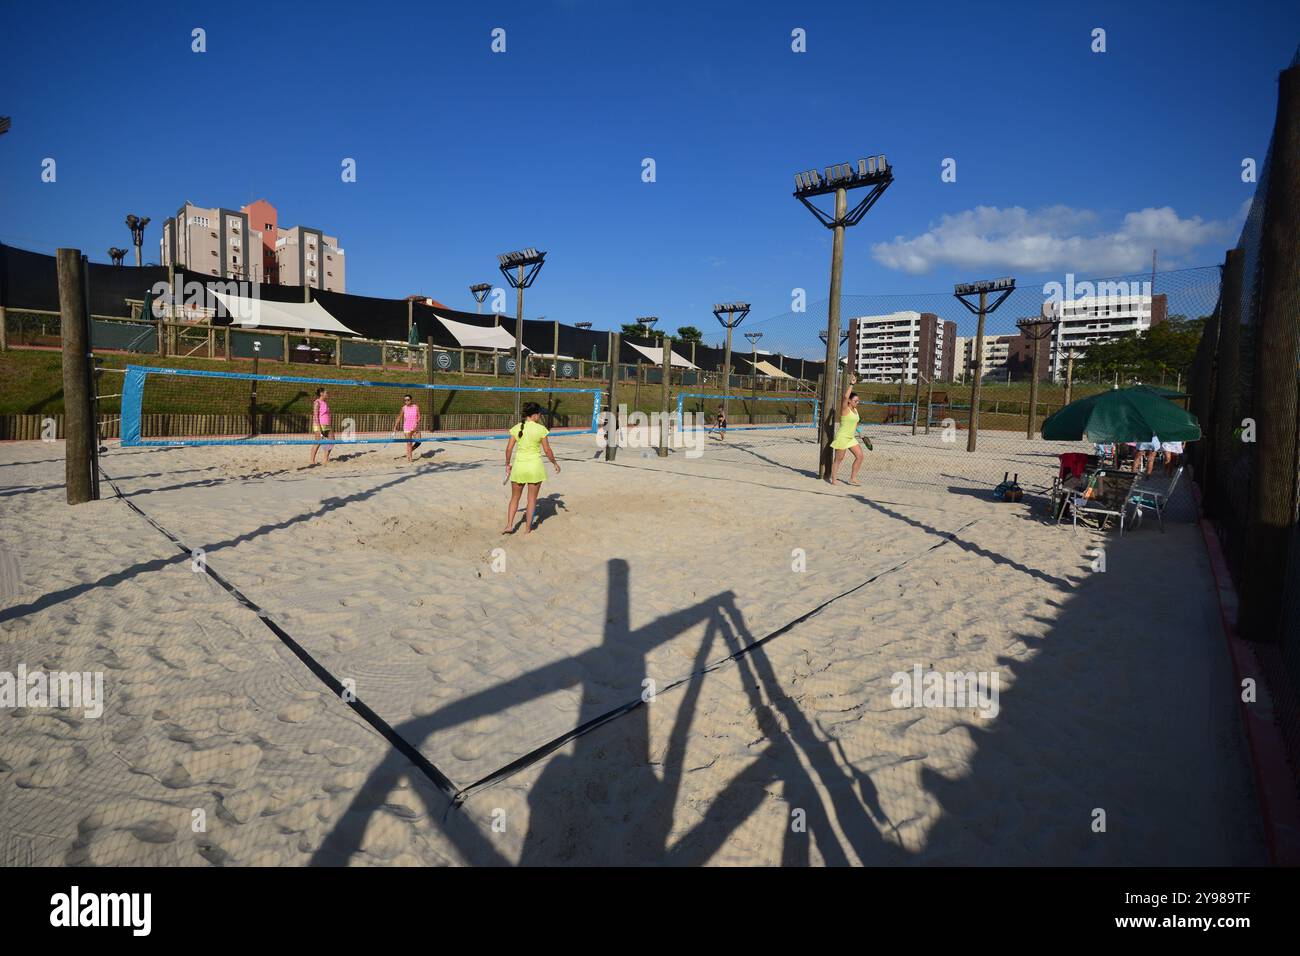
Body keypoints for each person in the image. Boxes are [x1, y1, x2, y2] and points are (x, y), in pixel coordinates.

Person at [503, 401, 560, 535]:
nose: (540, 416)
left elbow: (508, 449)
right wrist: (554, 463)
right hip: (535, 467)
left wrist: (507, 464)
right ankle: (528, 528)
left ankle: (509, 525)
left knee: (514, 498)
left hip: (519, 466)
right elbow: (547, 450)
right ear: (534, 415)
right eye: (539, 414)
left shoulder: (517, 427)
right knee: (532, 500)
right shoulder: (541, 429)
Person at [830, 374, 869, 486]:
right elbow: (845, 397)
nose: (857, 403)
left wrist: (860, 433)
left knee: (860, 456)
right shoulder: (845, 409)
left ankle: (852, 478)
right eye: (855, 401)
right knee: (839, 459)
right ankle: (834, 479)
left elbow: (855, 424)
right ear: (850, 401)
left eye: (858, 401)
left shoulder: (855, 411)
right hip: (842, 437)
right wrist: (851, 384)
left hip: (851, 438)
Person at [392, 394, 422, 463]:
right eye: (405, 400)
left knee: (419, 441)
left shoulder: (416, 407)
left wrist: (418, 420)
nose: (406, 401)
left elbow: (419, 416)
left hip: (415, 427)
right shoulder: (404, 408)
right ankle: (410, 459)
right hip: (407, 427)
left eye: (408, 400)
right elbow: (399, 417)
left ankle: (409, 451)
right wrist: (395, 427)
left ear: (411, 400)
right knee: (409, 443)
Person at [310, 387, 332, 466]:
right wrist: (319, 428)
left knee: (332, 441)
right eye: (326, 393)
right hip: (319, 425)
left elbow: (327, 414)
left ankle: (325, 458)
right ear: (321, 394)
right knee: (318, 442)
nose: (327, 394)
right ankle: (312, 461)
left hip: (327, 425)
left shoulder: (325, 402)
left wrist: (330, 424)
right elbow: (315, 416)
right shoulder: (317, 402)